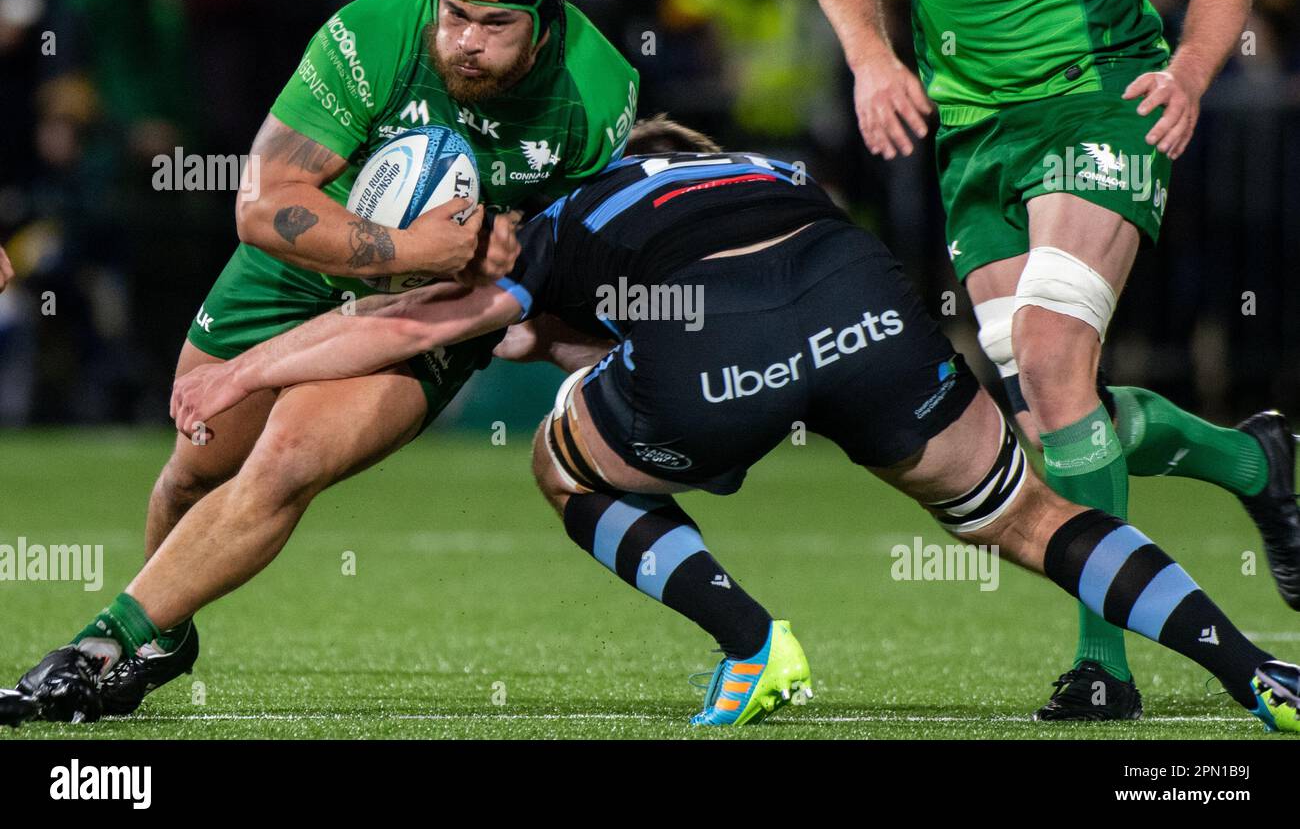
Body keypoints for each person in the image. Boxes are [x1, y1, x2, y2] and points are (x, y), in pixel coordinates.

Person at [138, 117, 1300, 731]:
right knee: (1029, 516)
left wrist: (240, 373)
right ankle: (1255, 671)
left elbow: (405, 333)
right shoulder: (751, 167)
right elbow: (637, 308)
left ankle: (751, 645)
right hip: (861, 301)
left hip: (722, 358)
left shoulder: (560, 217)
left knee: (564, 462)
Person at [8, 0, 638, 723]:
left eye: (496, 29)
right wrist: (416, 248)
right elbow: (261, 206)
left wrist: (509, 292)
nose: (466, 43)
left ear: (546, 19)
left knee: (288, 458)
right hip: (310, 260)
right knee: (194, 467)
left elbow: (541, 269)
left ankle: (97, 648)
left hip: (433, 304)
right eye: (453, 17)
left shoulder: (596, 98)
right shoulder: (371, 32)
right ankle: (163, 635)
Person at [809, 0, 1298, 719]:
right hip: (970, 129)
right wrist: (871, 60)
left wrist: (1186, 73)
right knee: (1050, 418)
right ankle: (1254, 462)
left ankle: (1102, 667)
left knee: (1049, 354)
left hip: (1101, 103)